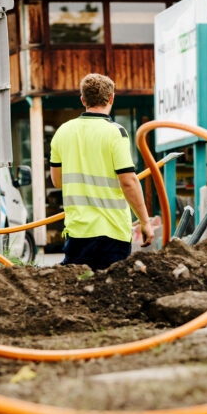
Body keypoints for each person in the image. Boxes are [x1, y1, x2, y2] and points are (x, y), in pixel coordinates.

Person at [50, 73, 158, 270]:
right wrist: (145, 221)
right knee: (111, 286)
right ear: (111, 99)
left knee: (80, 284)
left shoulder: (62, 132)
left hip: (78, 232)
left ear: (83, 100)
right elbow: (128, 181)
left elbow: (57, 182)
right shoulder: (116, 133)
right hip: (112, 232)